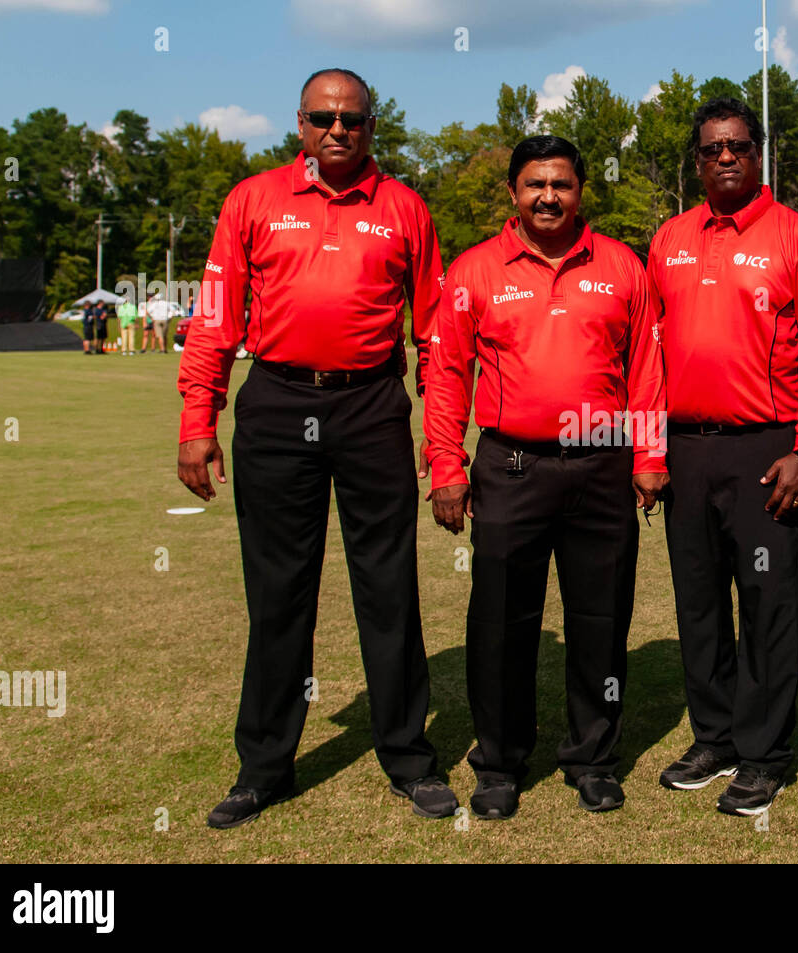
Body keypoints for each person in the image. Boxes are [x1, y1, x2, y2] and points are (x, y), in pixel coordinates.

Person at [177, 67, 456, 828]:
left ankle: (407, 756)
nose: (338, 131)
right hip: (274, 402)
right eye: (322, 118)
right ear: (299, 124)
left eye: (353, 120)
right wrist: (196, 421)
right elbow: (212, 319)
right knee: (278, 596)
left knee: (388, 589)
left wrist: (440, 438)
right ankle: (263, 767)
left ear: (373, 127)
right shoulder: (252, 201)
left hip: (368, 405)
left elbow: (433, 333)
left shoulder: (404, 208)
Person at [423, 135, 668, 820]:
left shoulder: (622, 266)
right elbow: (445, 374)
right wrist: (446, 463)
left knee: (601, 619)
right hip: (511, 465)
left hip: (602, 464)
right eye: (534, 184)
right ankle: (499, 763)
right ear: (513, 192)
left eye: (561, 183)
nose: (548, 196)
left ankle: (593, 757)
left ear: (580, 191)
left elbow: (648, 371)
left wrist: (649, 458)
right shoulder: (474, 270)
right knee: (501, 622)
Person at [646, 98, 798, 817]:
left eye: (739, 146)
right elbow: (646, 357)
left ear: (759, 154)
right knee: (698, 602)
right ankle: (714, 736)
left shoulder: (796, 237)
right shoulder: (668, 240)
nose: (726, 157)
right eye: (713, 148)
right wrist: (649, 451)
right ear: (697, 160)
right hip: (686, 448)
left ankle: (764, 753)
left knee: (769, 604)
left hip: (765, 447)